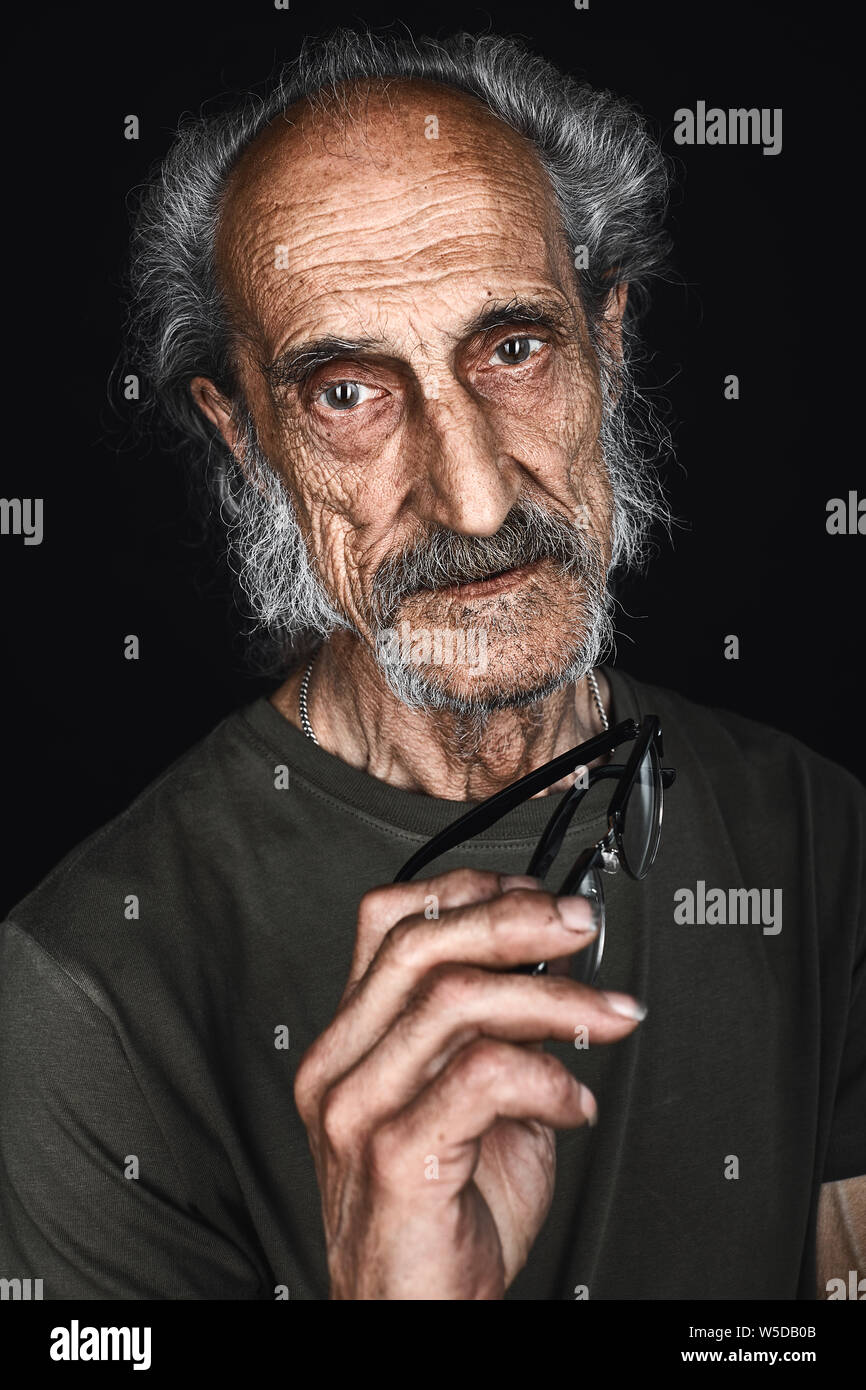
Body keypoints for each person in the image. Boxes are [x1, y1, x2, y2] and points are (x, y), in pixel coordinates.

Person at [0, 29, 863, 1301]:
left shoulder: (815, 833)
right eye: (347, 392)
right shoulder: (79, 988)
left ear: (605, 341)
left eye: (513, 349)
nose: (469, 500)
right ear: (243, 435)